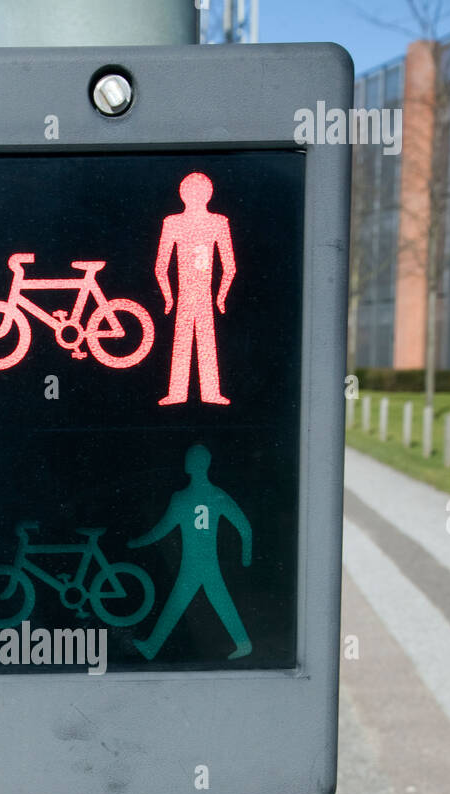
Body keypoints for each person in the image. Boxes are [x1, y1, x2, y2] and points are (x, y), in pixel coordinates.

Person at [129, 444, 252, 660]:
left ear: (192, 465)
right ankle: (152, 646)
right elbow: (244, 527)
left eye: (188, 459)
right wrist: (246, 556)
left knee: (181, 603)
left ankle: (152, 646)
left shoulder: (182, 499)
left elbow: (161, 530)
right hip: (203, 563)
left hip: (194, 564)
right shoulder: (217, 495)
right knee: (194, 602)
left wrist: (138, 543)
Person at [155, 172, 236, 406]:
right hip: (202, 292)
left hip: (186, 293)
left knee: (184, 341)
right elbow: (229, 268)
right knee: (204, 340)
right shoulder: (218, 222)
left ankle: (180, 393)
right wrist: (220, 296)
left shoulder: (174, 222)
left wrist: (168, 297)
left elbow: (160, 267)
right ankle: (208, 393)